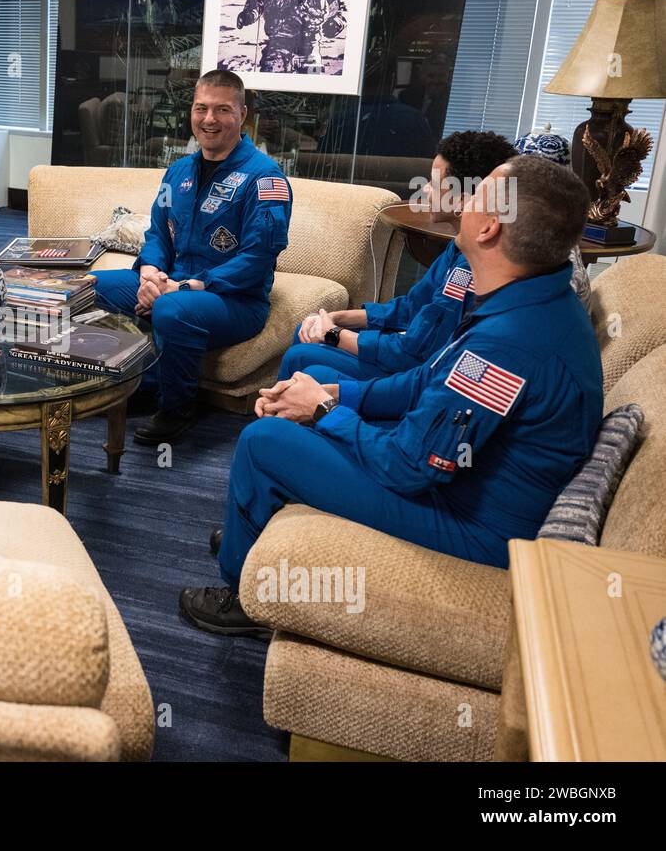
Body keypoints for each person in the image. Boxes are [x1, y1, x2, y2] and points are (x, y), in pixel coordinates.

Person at [180, 155, 602, 636]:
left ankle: (245, 597)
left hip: (472, 526)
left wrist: (323, 409)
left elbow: (408, 466)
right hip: (457, 481)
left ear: (489, 228)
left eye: (477, 194)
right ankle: (253, 526)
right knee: (303, 394)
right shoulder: (526, 301)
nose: (464, 199)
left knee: (262, 443)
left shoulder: (507, 345)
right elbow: (426, 381)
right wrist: (337, 393)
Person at [92, 69, 292, 446]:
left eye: (222, 110)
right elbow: (158, 233)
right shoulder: (178, 171)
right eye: (201, 108)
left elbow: (257, 259)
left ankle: (177, 408)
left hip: (234, 299)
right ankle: (140, 384)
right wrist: (150, 274)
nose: (209, 119)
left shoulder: (265, 178)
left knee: (172, 309)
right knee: (91, 288)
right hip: (172, 282)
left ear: (242, 114)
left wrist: (182, 287)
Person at [279, 131, 519, 384]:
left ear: (461, 200)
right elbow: (412, 307)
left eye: (433, 183)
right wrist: (339, 318)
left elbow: (413, 353)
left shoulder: (469, 268)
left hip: (419, 372)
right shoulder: (459, 245)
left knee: (300, 357)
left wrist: (334, 334)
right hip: (412, 352)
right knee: (307, 330)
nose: (425, 189)